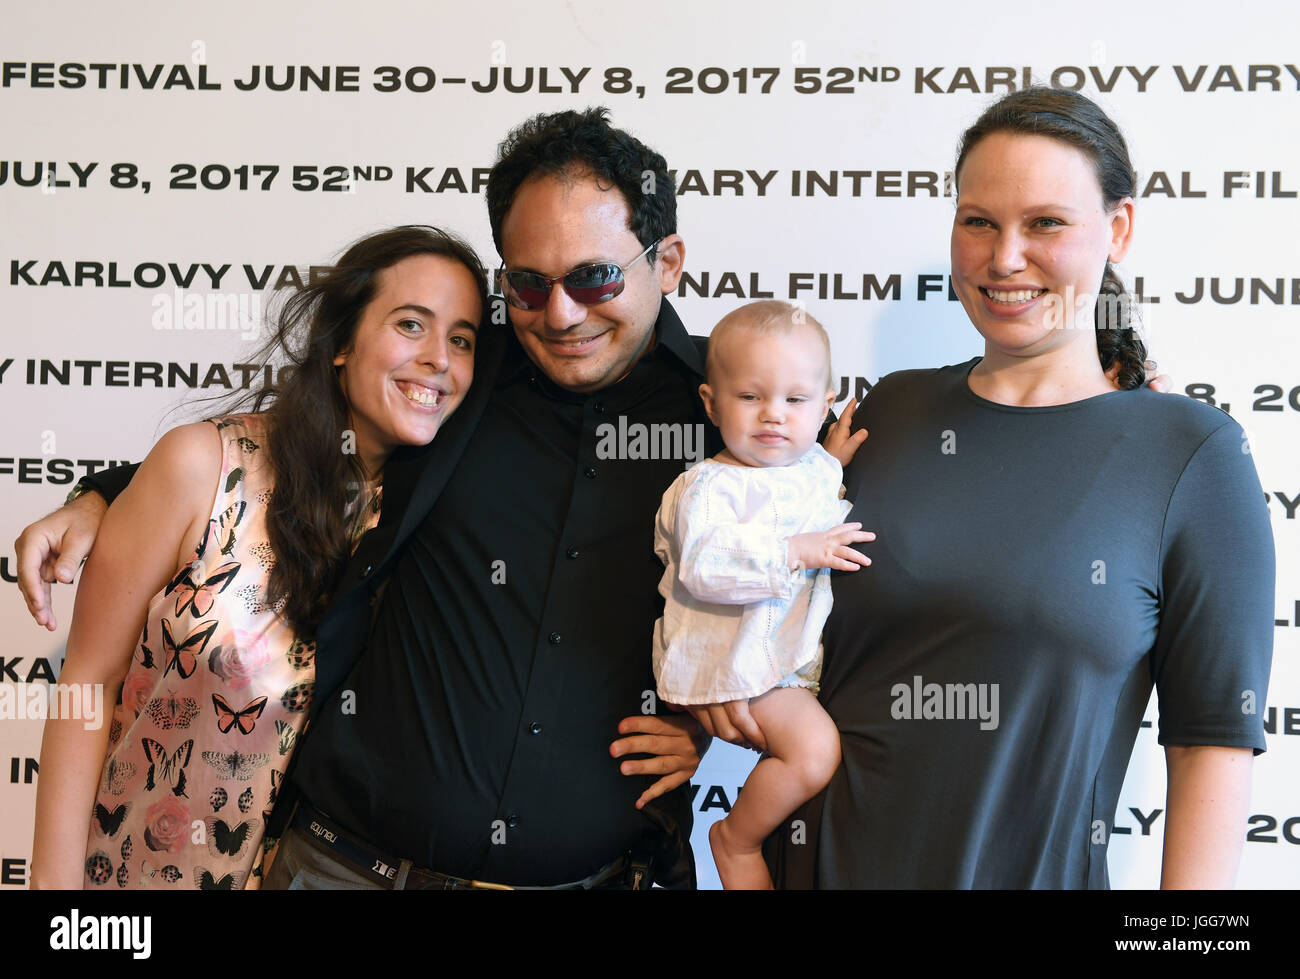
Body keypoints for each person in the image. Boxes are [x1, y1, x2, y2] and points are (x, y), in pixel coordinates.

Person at [19, 109, 710, 889]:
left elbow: (803, 597)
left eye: (594, 278)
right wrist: (100, 497)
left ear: (668, 261)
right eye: (527, 283)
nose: (561, 313)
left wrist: (713, 720)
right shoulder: (469, 373)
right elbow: (295, 443)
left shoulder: (733, 419)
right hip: (335, 865)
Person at [761, 87, 1275, 888]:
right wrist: (698, 708)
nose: (1004, 258)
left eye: (1046, 223)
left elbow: (1210, 742)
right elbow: (771, 601)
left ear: (1119, 229)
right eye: (978, 221)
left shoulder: (1191, 453)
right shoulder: (889, 411)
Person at [28, 225, 489, 889]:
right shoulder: (205, 467)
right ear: (341, 341)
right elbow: (88, 683)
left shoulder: (437, 518)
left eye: (462, 339)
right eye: (411, 324)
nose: (440, 358)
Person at [652, 300, 870, 889]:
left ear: (823, 406)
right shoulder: (708, 487)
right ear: (711, 403)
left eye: (796, 400)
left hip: (778, 659)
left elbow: (810, 485)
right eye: (750, 397)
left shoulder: (807, 469)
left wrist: (831, 460)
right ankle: (736, 840)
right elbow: (704, 566)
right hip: (732, 659)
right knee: (814, 753)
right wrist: (795, 550)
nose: (773, 414)